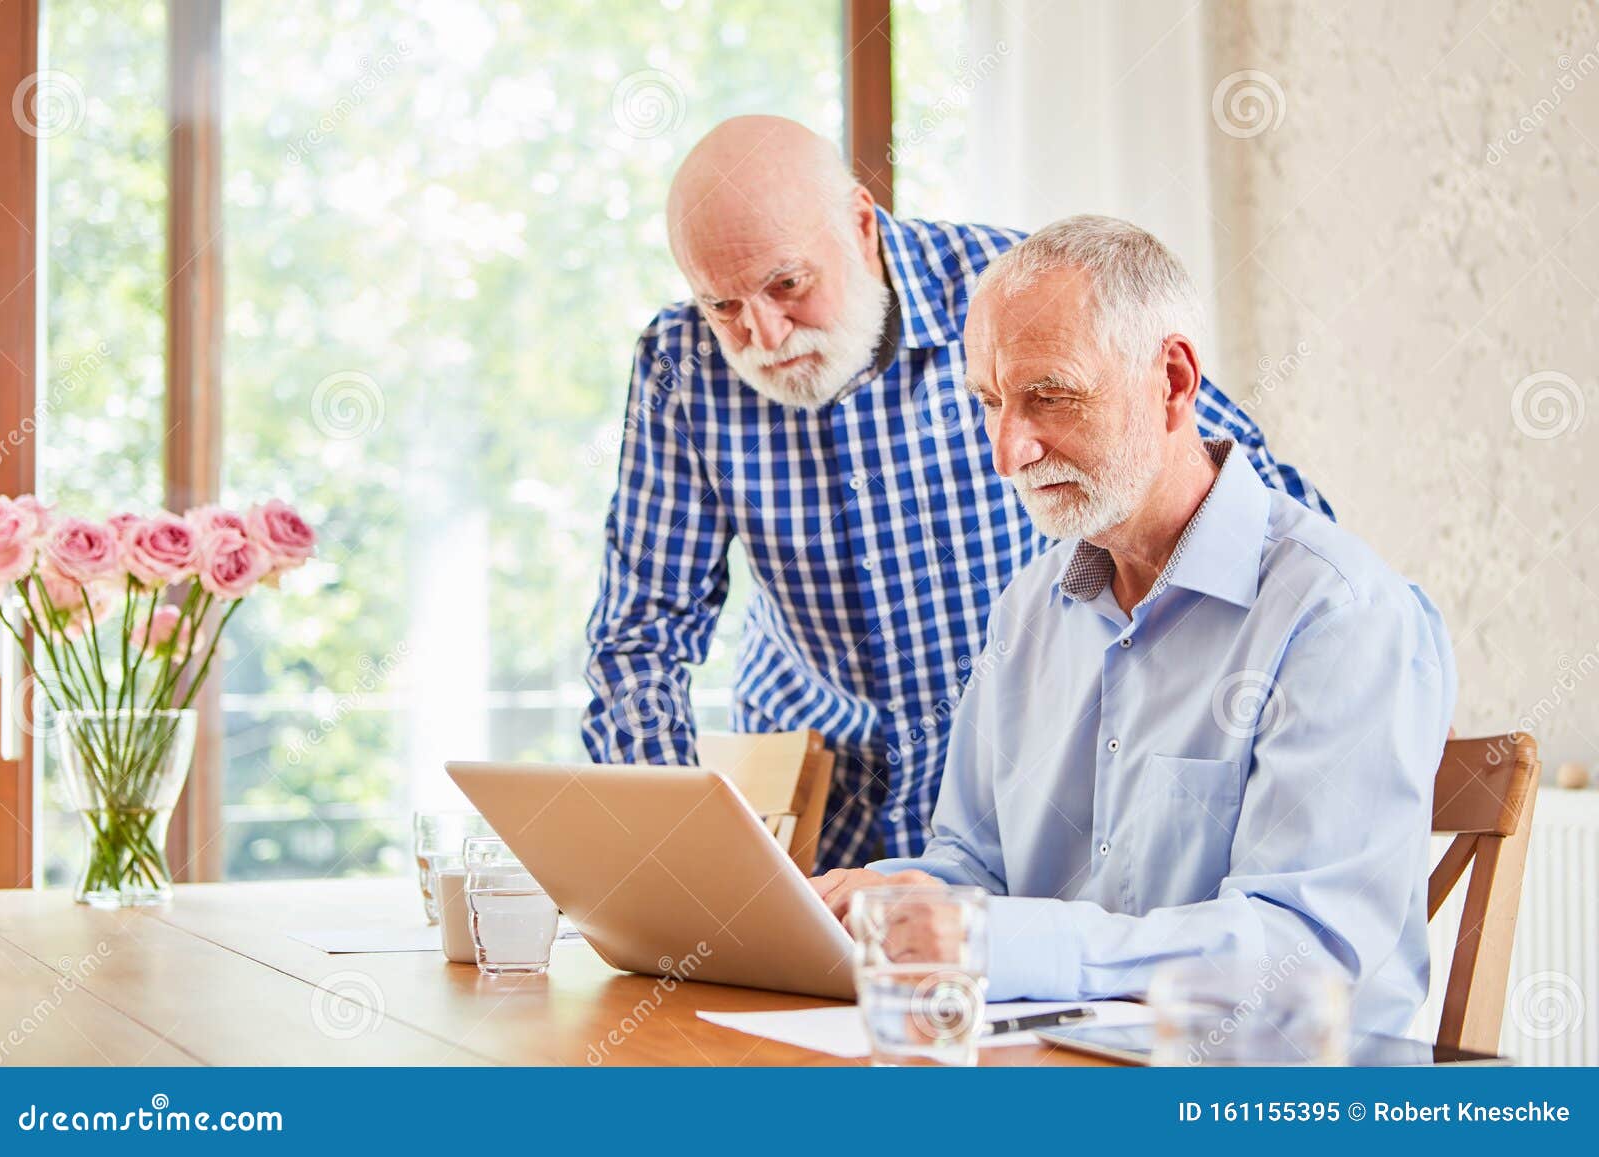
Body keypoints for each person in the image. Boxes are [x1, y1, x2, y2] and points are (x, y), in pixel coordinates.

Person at [582, 115, 1333, 872]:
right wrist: (673, 849)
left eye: (788, 285)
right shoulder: (680, 364)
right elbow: (640, 631)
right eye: (724, 307)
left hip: (1013, 796)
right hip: (813, 796)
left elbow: (1239, 493)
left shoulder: (1012, 296)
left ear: (860, 224)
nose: (766, 335)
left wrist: (1306, 658)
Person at [810, 215, 1456, 1036]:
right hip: (1058, 1069)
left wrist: (1001, 940)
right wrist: (888, 902)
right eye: (990, 403)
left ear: (1174, 381)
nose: (1007, 453)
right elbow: (973, 865)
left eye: (1049, 396)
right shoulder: (1029, 608)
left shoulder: (1339, 614)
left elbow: (1303, 948)